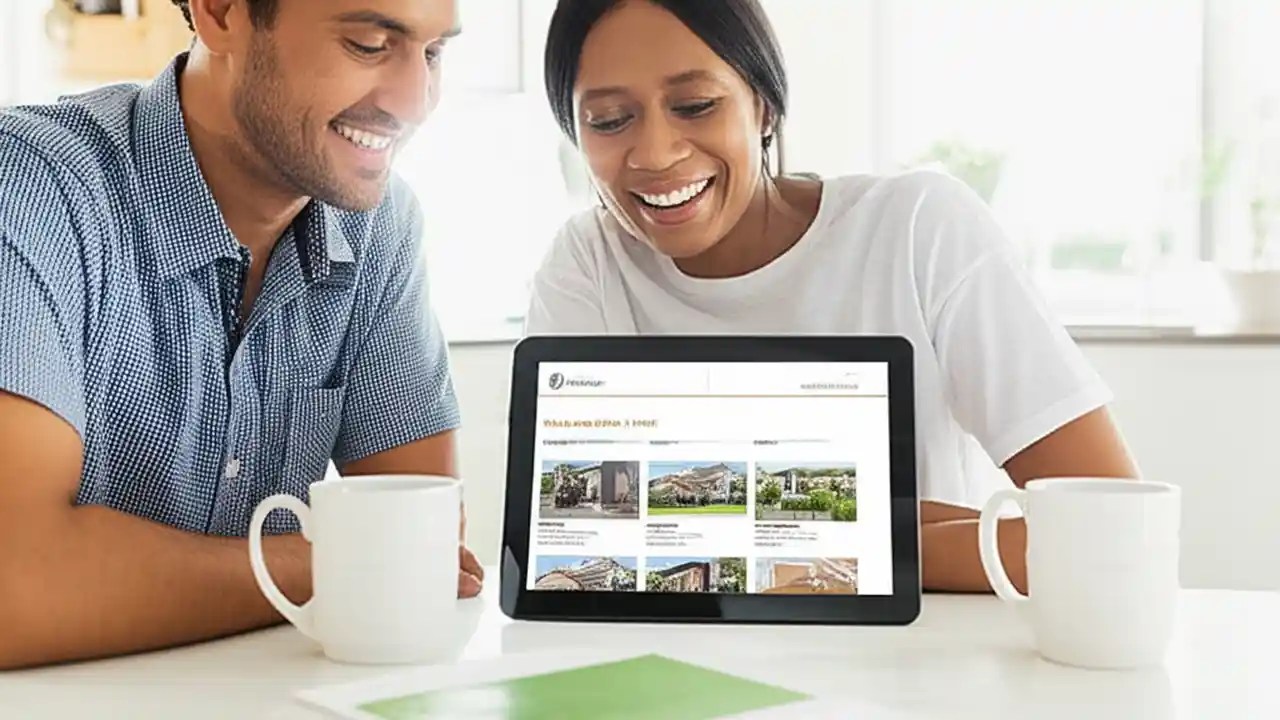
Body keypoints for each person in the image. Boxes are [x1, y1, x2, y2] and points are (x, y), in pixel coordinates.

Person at [526, 0, 1140, 593]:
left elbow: (1112, 534)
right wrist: (881, 527)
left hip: (912, 675)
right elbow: (586, 544)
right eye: (608, 120)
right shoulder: (586, 263)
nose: (657, 153)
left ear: (764, 108)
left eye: (695, 105)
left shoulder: (919, 229)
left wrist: (832, 543)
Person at [0, 0, 482, 670]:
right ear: (221, 13)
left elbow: (426, 556)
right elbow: (14, 585)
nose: (414, 100)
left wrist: (348, 566)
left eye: (433, 54)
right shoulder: (30, 188)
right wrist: (323, 566)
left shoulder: (378, 225)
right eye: (370, 45)